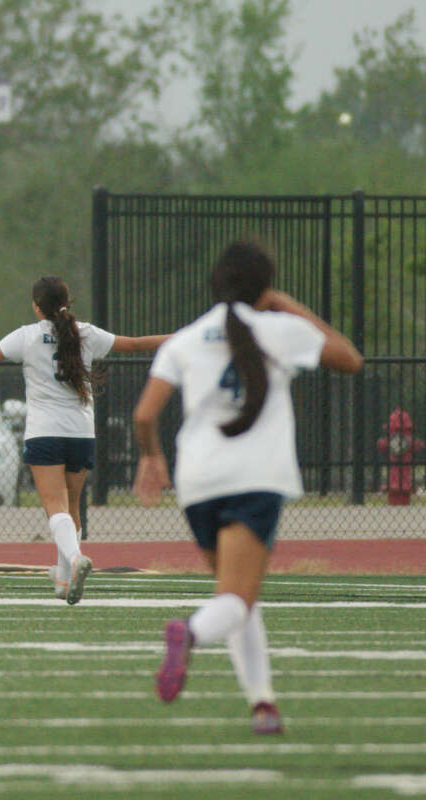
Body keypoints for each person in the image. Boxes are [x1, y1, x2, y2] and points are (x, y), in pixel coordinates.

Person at [132, 239, 362, 734]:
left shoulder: (186, 339)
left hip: (197, 480)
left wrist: (151, 457)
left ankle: (263, 703)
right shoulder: (278, 330)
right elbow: (350, 359)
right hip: (255, 477)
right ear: (264, 287)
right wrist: (288, 305)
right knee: (236, 599)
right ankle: (188, 634)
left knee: (236, 597)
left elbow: (145, 413)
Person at [0, 276, 168, 605]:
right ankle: (65, 580)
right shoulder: (87, 334)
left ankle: (76, 560)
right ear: (67, 302)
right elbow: (136, 344)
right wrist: (187, 337)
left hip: (45, 433)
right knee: (71, 507)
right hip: (81, 433)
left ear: (37, 307)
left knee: (55, 507)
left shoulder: (28, 336)